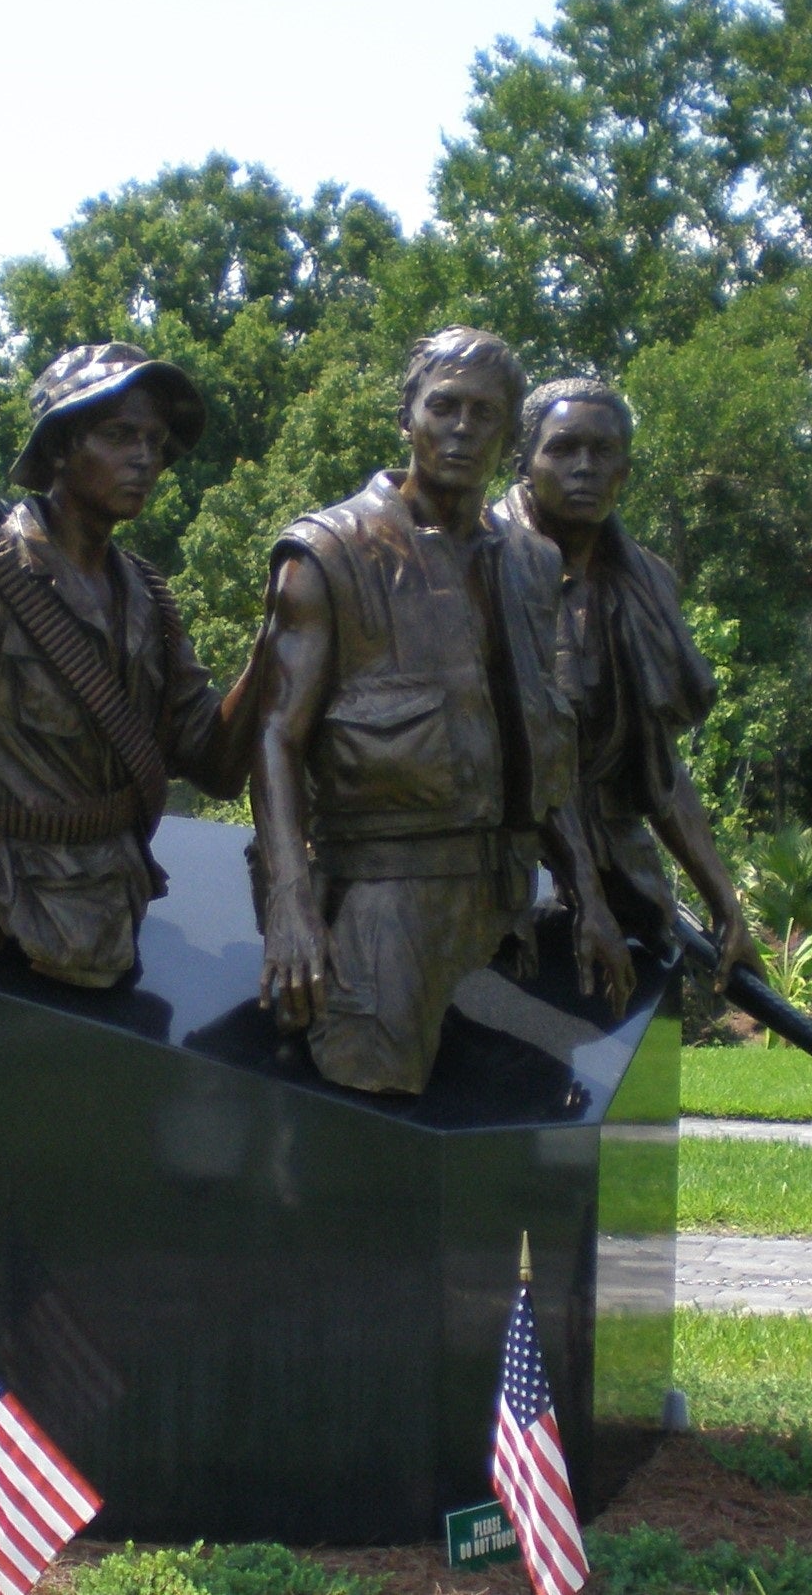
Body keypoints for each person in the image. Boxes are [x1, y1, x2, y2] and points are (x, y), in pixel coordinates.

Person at [251, 327, 635, 1095]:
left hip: (504, 914)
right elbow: (276, 739)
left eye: (485, 413)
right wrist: (293, 908)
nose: (462, 428)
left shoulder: (531, 563)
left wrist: (589, 897)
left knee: (491, 1155)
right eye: (444, 406)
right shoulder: (329, 553)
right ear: (408, 416)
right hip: (384, 908)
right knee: (372, 1136)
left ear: (509, 433)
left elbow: (543, 746)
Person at [0, 342, 257, 987]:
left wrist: (280, 642)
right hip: (11, 884)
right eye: (119, 436)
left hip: (114, 883)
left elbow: (217, 766)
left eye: (155, 441)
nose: (145, 458)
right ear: (60, 448)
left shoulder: (145, 597)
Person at [492, 378, 755, 987]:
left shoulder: (647, 586)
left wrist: (725, 902)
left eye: (603, 451)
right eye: (562, 449)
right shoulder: (479, 563)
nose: (584, 467)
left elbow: (658, 768)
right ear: (524, 463)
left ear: (625, 471)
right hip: (510, 862)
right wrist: (585, 898)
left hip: (617, 856)